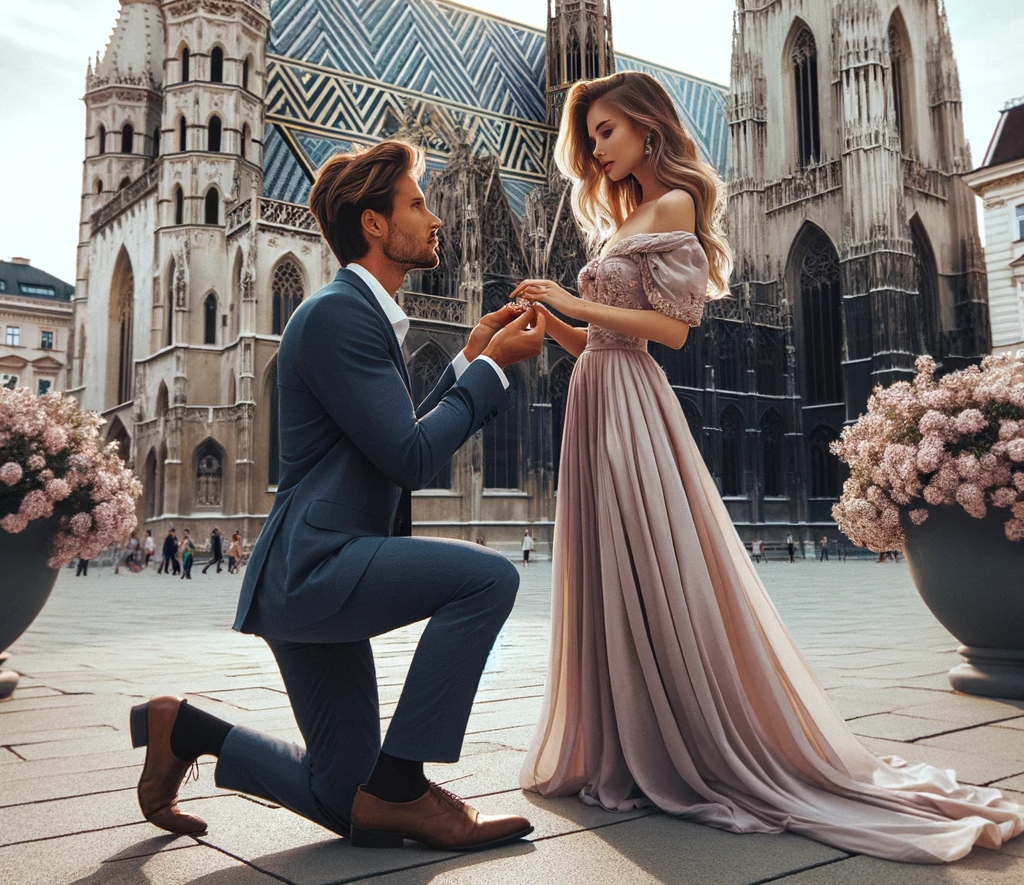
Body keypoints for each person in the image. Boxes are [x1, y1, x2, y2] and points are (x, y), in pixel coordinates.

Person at [514, 70, 1022, 863]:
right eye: (589, 138)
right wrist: (556, 323)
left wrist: (579, 305)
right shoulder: (624, 219)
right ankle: (626, 732)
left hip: (632, 404)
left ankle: (682, 735)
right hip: (596, 393)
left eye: (606, 131)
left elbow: (670, 332)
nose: (596, 150)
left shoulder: (672, 206)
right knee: (613, 567)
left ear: (648, 128)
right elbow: (605, 343)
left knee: (648, 559)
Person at [128, 139, 545, 850]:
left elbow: (386, 438)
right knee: (487, 580)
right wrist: (494, 374)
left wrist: (470, 359)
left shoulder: (353, 313)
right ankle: (405, 784)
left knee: (344, 800)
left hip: (310, 574)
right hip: (320, 565)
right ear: (376, 225)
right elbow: (411, 459)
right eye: (418, 203)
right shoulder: (341, 315)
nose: (435, 218)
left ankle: (185, 729)